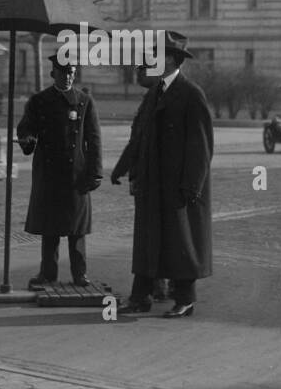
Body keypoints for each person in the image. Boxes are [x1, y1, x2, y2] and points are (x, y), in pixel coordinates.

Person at [118, 31, 213, 318]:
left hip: (178, 187)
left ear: (170, 60)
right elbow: (140, 136)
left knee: (181, 244)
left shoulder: (191, 94)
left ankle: (185, 300)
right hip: (152, 183)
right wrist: (124, 167)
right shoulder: (155, 93)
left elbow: (201, 146)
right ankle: (140, 297)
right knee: (148, 242)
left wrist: (191, 187)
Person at [18, 55, 103, 289]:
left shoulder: (84, 101)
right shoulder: (39, 101)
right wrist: (27, 139)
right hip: (49, 173)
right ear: (52, 73)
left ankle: (80, 274)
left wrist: (95, 172)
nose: (68, 76)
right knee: (50, 227)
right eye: (64, 72)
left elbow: (93, 139)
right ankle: (48, 273)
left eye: (72, 72)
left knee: (76, 229)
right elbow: (26, 128)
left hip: (76, 174)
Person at [111, 62, 172, 302]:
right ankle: (159, 284)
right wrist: (121, 169)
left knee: (155, 234)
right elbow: (136, 141)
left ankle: (159, 285)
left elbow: (141, 142)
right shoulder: (151, 98)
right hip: (145, 179)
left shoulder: (159, 98)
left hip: (156, 181)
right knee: (153, 234)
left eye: (143, 69)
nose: (138, 72)